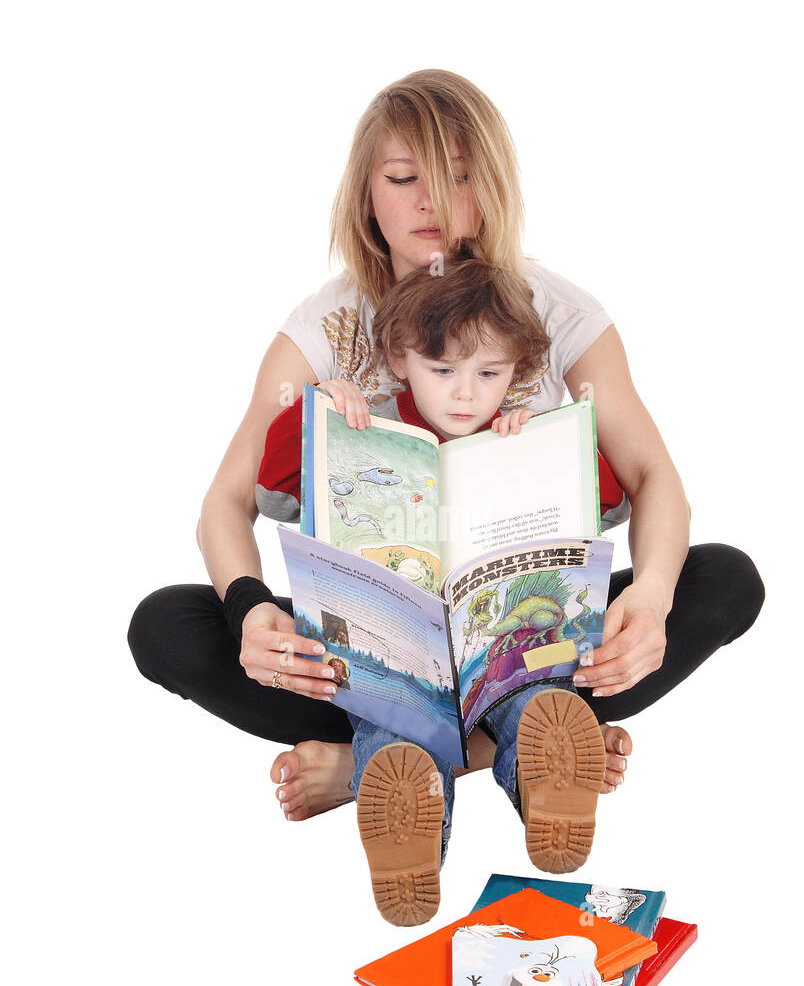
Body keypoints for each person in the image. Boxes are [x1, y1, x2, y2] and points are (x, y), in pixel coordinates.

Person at [127, 68, 764, 843]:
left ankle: (385, 769)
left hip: (528, 645)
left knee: (723, 575)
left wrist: (653, 602)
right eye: (404, 178)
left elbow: (655, 477)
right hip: (374, 655)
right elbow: (223, 504)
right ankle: (516, 752)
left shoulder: (558, 312)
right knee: (166, 624)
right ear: (366, 194)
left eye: (459, 178)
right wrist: (251, 611)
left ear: (491, 187)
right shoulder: (320, 330)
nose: (430, 203)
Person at [258, 258, 612, 925]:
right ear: (399, 357)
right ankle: (408, 812)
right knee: (388, 716)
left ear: (517, 370)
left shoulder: (508, 428)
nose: (465, 395)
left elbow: (605, 489)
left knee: (535, 694)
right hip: (399, 651)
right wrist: (322, 410)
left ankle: (547, 778)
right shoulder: (369, 423)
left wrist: (537, 444)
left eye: (490, 374)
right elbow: (273, 474)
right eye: (442, 370)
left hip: (495, 653)